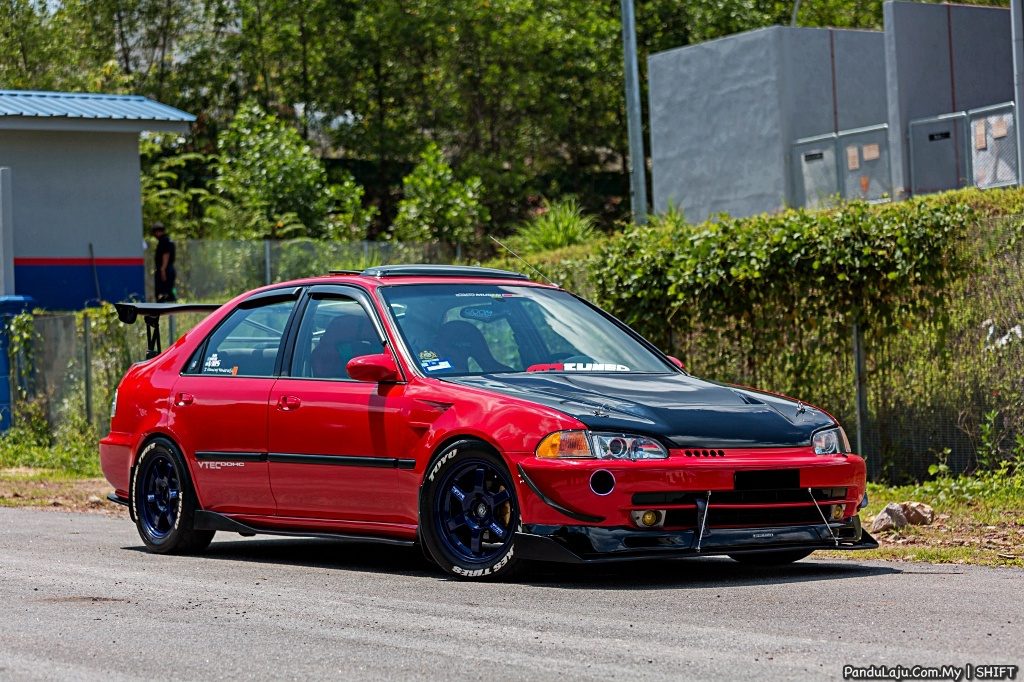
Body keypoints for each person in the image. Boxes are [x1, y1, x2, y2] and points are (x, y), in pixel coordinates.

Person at [152, 223, 177, 302]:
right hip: (169, 269)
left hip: (165, 269)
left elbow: (166, 254)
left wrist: (163, 269)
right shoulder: (168, 240)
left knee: (163, 292)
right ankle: (171, 311)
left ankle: (164, 310)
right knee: (169, 289)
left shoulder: (164, 240)